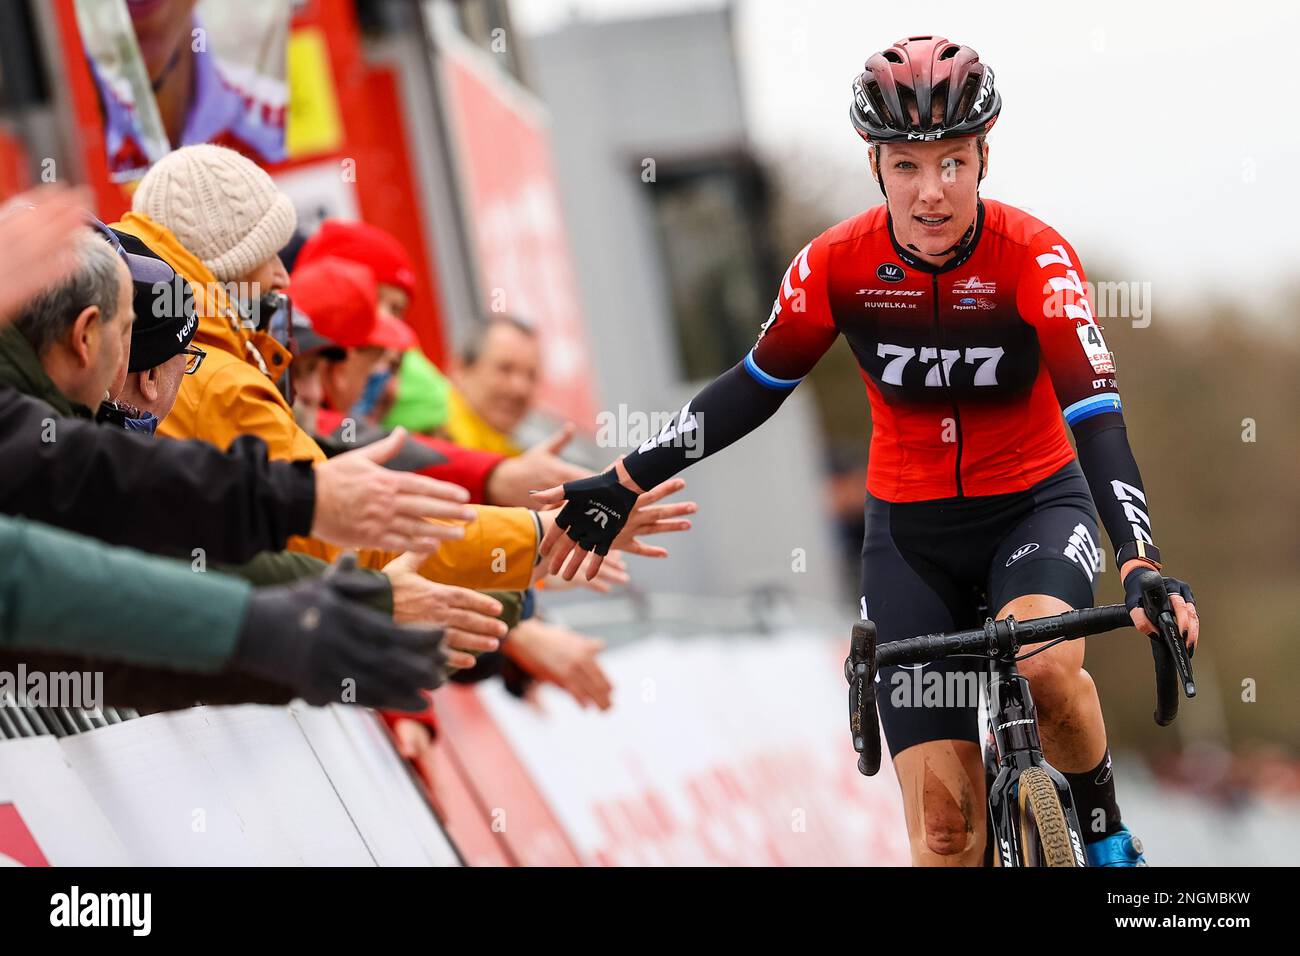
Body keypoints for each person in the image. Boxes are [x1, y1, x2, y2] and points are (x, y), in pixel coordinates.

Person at [538, 36, 1199, 867]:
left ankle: (1104, 838)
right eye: (906, 166)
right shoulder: (836, 265)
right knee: (947, 834)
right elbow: (752, 388)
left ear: (984, 156)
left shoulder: (1037, 258)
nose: (931, 191)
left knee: (1041, 665)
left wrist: (1139, 561)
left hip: (1034, 508)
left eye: (953, 162)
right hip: (910, 537)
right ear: (875, 165)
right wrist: (624, 479)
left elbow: (1096, 418)